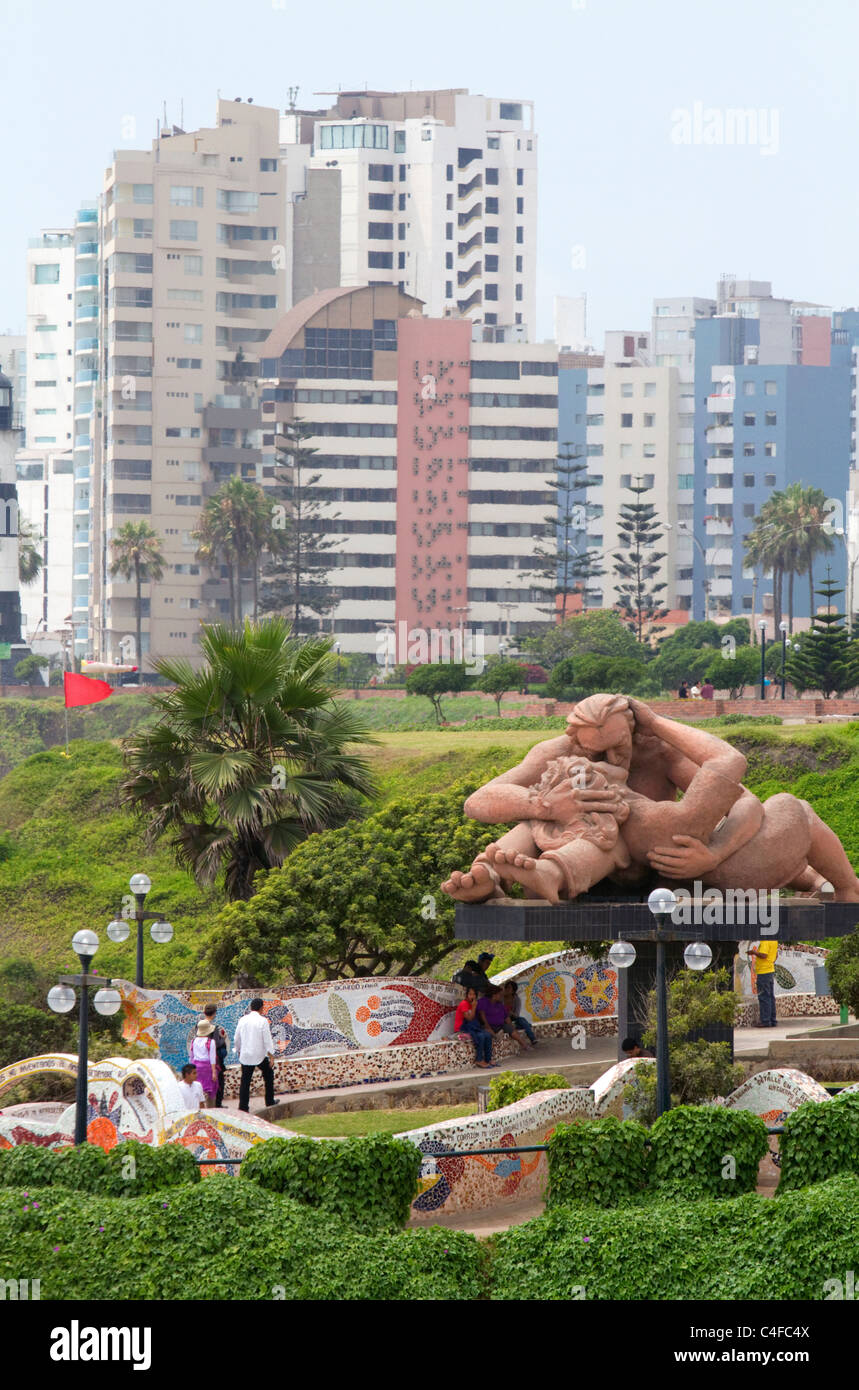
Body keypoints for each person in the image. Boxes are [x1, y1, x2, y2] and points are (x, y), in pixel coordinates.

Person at [233, 998, 276, 1112]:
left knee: (245, 1081)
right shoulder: (263, 1021)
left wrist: (238, 1050)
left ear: (251, 1007)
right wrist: (271, 1056)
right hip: (259, 1055)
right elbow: (267, 1040)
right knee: (268, 1075)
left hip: (246, 1054)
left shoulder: (242, 1020)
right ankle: (270, 1101)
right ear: (262, 1008)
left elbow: (237, 1037)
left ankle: (243, 1107)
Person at [479, 985, 531, 1052]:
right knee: (487, 1030)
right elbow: (482, 1015)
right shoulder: (483, 1001)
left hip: (500, 1025)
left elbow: (506, 1017)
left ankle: (524, 1045)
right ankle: (496, 1036)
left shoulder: (500, 1004)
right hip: (487, 1025)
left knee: (511, 1028)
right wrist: (488, 1026)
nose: (501, 996)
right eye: (500, 995)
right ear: (494, 995)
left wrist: (511, 1027)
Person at [454, 987, 494, 1068]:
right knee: (481, 1036)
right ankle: (479, 1060)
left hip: (471, 1027)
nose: (472, 996)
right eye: (470, 994)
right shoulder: (464, 1004)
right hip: (462, 1029)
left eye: (474, 994)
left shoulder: (472, 1004)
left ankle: (488, 1059)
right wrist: (474, 1007)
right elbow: (469, 1018)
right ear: (466, 995)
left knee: (487, 1035)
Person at [189, 1020, 219, 1108]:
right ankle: (211, 1110)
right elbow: (212, 1058)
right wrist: (214, 1072)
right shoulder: (210, 1042)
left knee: (197, 1090)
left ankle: (198, 1109)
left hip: (196, 1068)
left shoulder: (193, 1041)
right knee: (211, 1092)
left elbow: (191, 1056)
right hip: (207, 1069)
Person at [749, 939, 779, 1027]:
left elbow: (764, 955)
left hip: (763, 972)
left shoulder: (765, 941)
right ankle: (772, 1020)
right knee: (770, 996)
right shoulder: (774, 941)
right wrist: (770, 962)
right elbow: (776, 955)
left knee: (764, 996)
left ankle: (765, 1021)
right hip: (770, 970)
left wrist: (754, 952)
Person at [203, 1003, 228, 1108]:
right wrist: (224, 1037)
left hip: (204, 1058)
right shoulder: (214, 1028)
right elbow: (217, 1043)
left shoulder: (199, 1026)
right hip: (216, 1059)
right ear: (214, 1014)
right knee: (219, 1081)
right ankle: (218, 1104)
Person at [502, 981, 538, 1047]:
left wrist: (510, 1013)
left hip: (513, 1018)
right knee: (524, 1023)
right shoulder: (501, 998)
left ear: (513, 990)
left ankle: (532, 1039)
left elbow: (516, 1014)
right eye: (506, 987)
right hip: (503, 1019)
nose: (507, 989)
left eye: (509, 988)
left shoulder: (516, 999)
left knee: (521, 1020)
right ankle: (527, 1026)